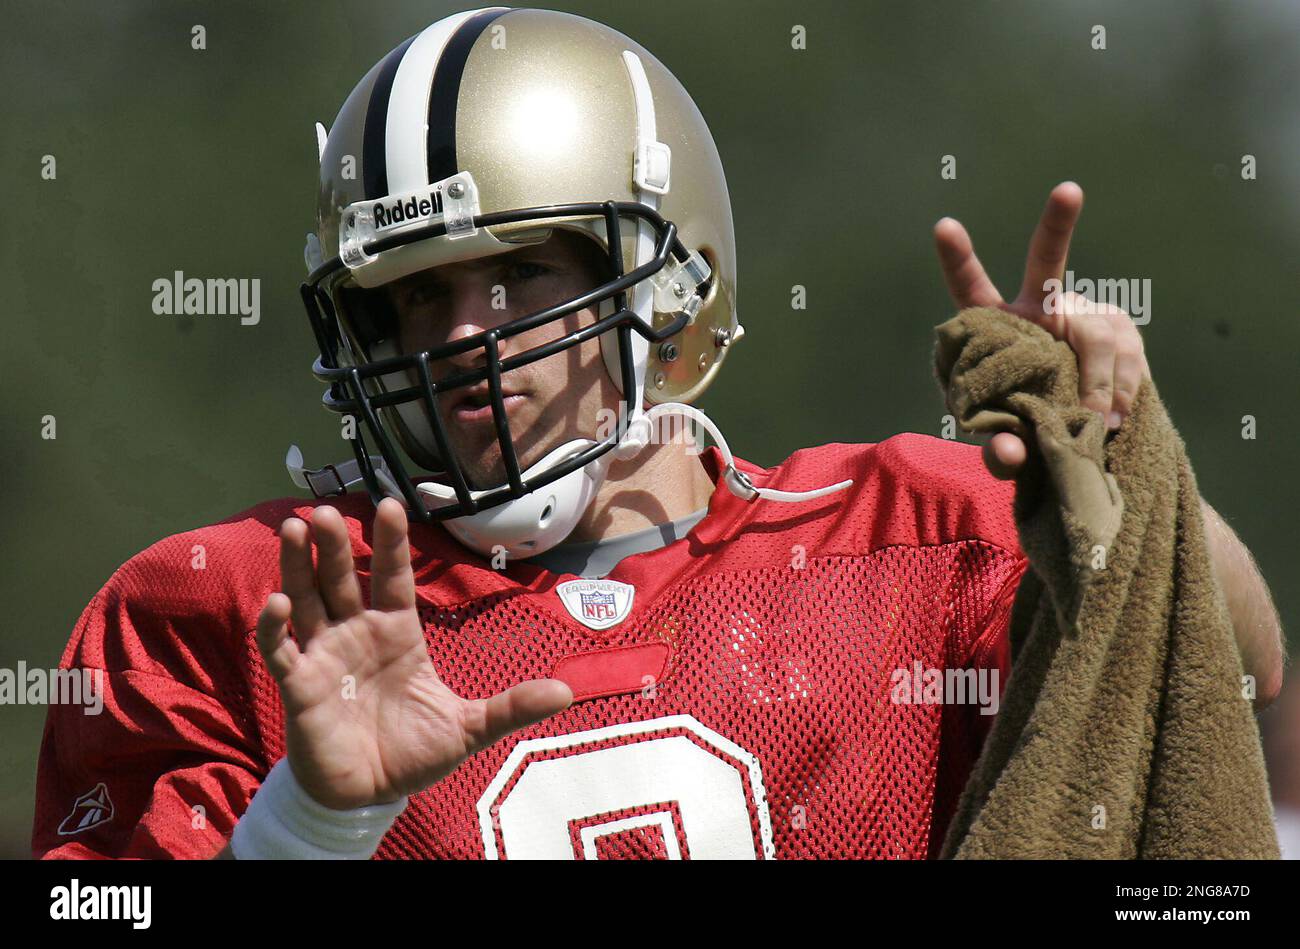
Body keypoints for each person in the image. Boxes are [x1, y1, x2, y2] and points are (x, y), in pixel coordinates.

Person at [33, 6, 1282, 860]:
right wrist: (307, 821)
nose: (463, 342)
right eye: (414, 296)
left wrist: (1120, 474)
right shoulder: (236, 611)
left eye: (520, 274)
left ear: (667, 283)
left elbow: (1228, 668)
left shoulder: (910, 531)